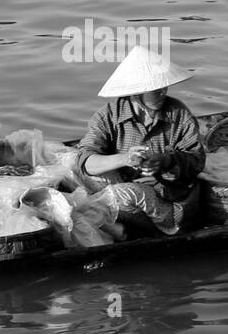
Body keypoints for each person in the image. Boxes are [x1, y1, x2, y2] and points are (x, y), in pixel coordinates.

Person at [77, 45, 204, 236]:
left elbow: (197, 160)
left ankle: (122, 228)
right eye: (155, 90)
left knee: (124, 194)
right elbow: (86, 162)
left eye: (164, 87)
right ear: (136, 93)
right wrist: (125, 159)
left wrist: (166, 161)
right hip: (124, 186)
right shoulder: (108, 116)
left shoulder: (179, 115)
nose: (163, 92)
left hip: (169, 204)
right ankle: (109, 219)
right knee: (74, 163)